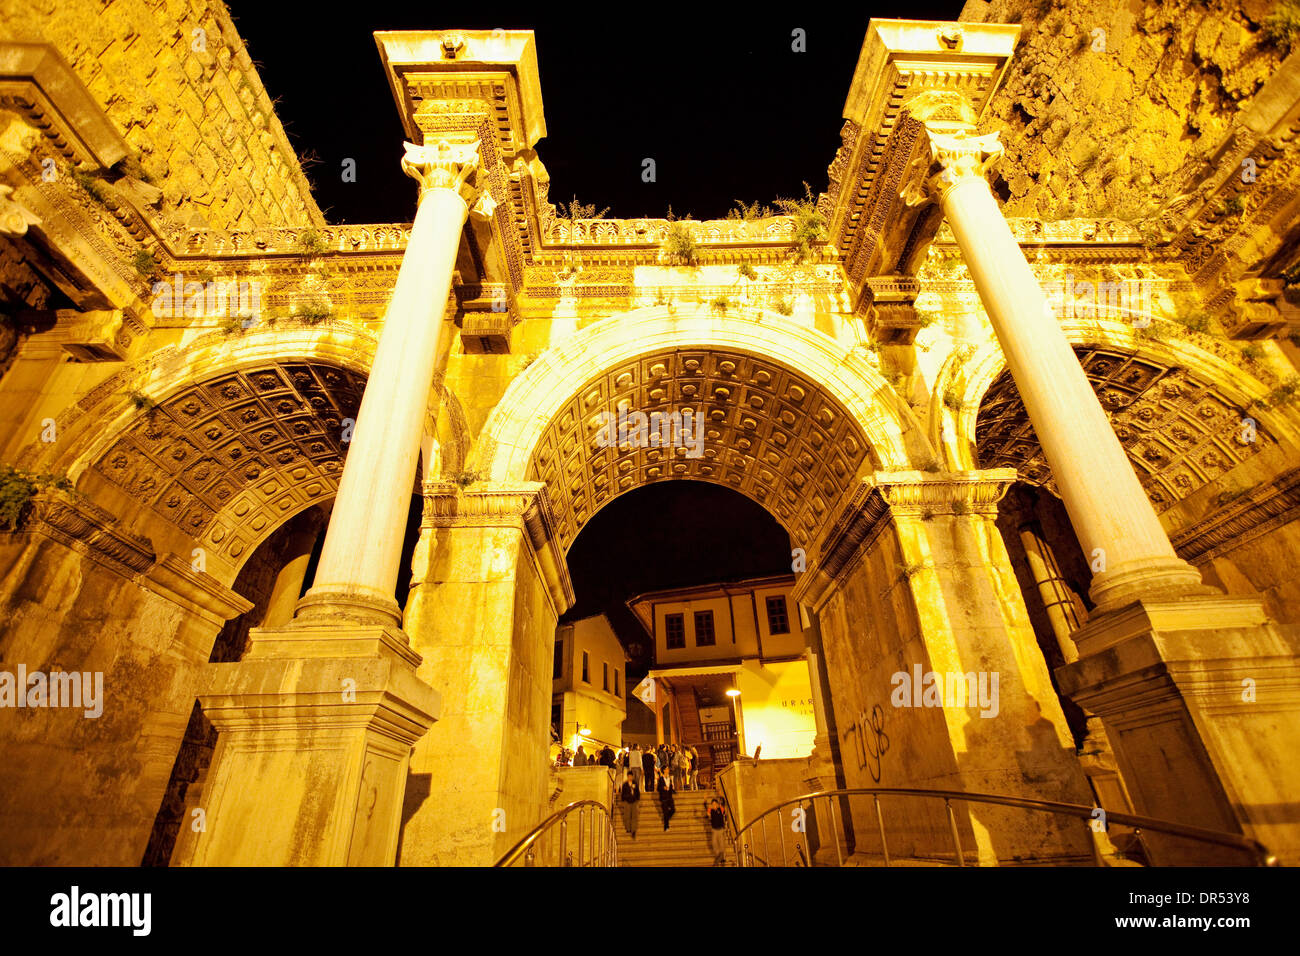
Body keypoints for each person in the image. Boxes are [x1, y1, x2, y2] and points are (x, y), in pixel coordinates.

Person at [619, 773, 641, 839]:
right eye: (629, 776)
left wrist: (637, 798)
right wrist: (624, 799)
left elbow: (637, 792)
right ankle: (628, 828)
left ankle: (633, 830)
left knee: (634, 816)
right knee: (627, 816)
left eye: (631, 776)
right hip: (627, 801)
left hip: (634, 801)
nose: (630, 777)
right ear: (627, 777)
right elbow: (623, 793)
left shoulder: (635, 784)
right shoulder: (625, 785)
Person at [707, 798, 728, 866]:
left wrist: (720, 797)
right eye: (713, 804)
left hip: (721, 829)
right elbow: (707, 813)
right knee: (714, 844)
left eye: (715, 804)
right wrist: (705, 800)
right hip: (714, 830)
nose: (714, 805)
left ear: (718, 804)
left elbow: (723, 803)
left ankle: (722, 858)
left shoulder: (720, 809)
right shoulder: (711, 810)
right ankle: (719, 856)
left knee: (722, 844)